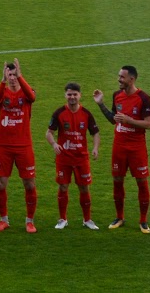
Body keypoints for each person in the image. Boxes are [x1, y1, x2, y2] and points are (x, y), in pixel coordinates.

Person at [95, 64, 150, 232]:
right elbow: (115, 120)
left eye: (122, 77)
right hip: (119, 146)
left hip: (137, 147)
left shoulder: (143, 98)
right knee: (117, 181)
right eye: (119, 76)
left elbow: (149, 124)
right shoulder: (117, 96)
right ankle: (119, 217)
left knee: (141, 182)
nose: (119, 79)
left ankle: (143, 221)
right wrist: (101, 104)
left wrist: (129, 120)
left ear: (131, 79)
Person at [0, 59, 38, 232]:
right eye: (9, 75)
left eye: (14, 75)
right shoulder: (2, 92)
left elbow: (32, 97)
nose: (12, 78)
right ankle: (3, 220)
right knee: (0, 184)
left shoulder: (26, 93)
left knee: (29, 184)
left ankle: (30, 221)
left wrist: (20, 75)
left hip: (24, 146)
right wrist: (2, 80)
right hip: (3, 147)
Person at [46, 82, 100, 230]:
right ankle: (63, 219)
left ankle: (87, 219)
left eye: (75, 94)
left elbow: (95, 133)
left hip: (81, 158)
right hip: (64, 158)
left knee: (84, 188)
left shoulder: (86, 114)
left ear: (79, 95)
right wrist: (54, 144)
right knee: (63, 186)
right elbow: (49, 132)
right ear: (65, 95)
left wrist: (95, 148)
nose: (72, 97)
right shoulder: (59, 113)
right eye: (69, 94)